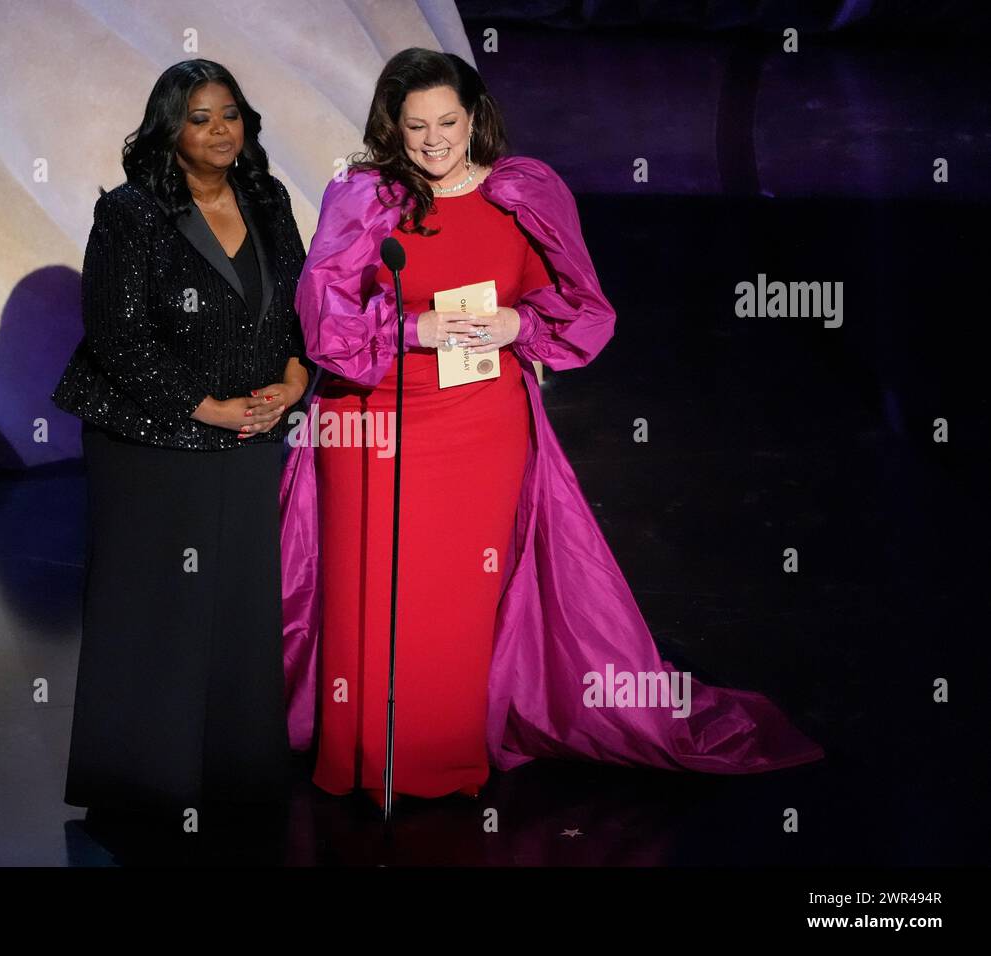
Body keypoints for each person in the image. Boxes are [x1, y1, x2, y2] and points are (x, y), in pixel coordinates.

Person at [282, 48, 824, 807]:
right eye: (416, 127)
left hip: (480, 426)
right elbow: (323, 321)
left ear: (475, 118)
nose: (434, 141)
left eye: (448, 122)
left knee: (457, 599)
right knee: (371, 590)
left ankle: (441, 755)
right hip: (374, 425)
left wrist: (516, 321)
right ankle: (363, 755)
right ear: (391, 127)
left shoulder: (521, 192)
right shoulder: (364, 195)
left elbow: (582, 308)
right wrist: (415, 326)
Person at [51, 59, 312, 823]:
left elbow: (299, 306)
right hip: (153, 445)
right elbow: (119, 338)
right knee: (155, 612)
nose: (220, 130)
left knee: (237, 609)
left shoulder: (266, 197)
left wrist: (296, 383)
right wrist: (209, 408)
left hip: (252, 434)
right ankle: (140, 782)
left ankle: (235, 772)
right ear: (170, 128)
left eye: (230, 114)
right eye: (201, 117)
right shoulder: (130, 214)